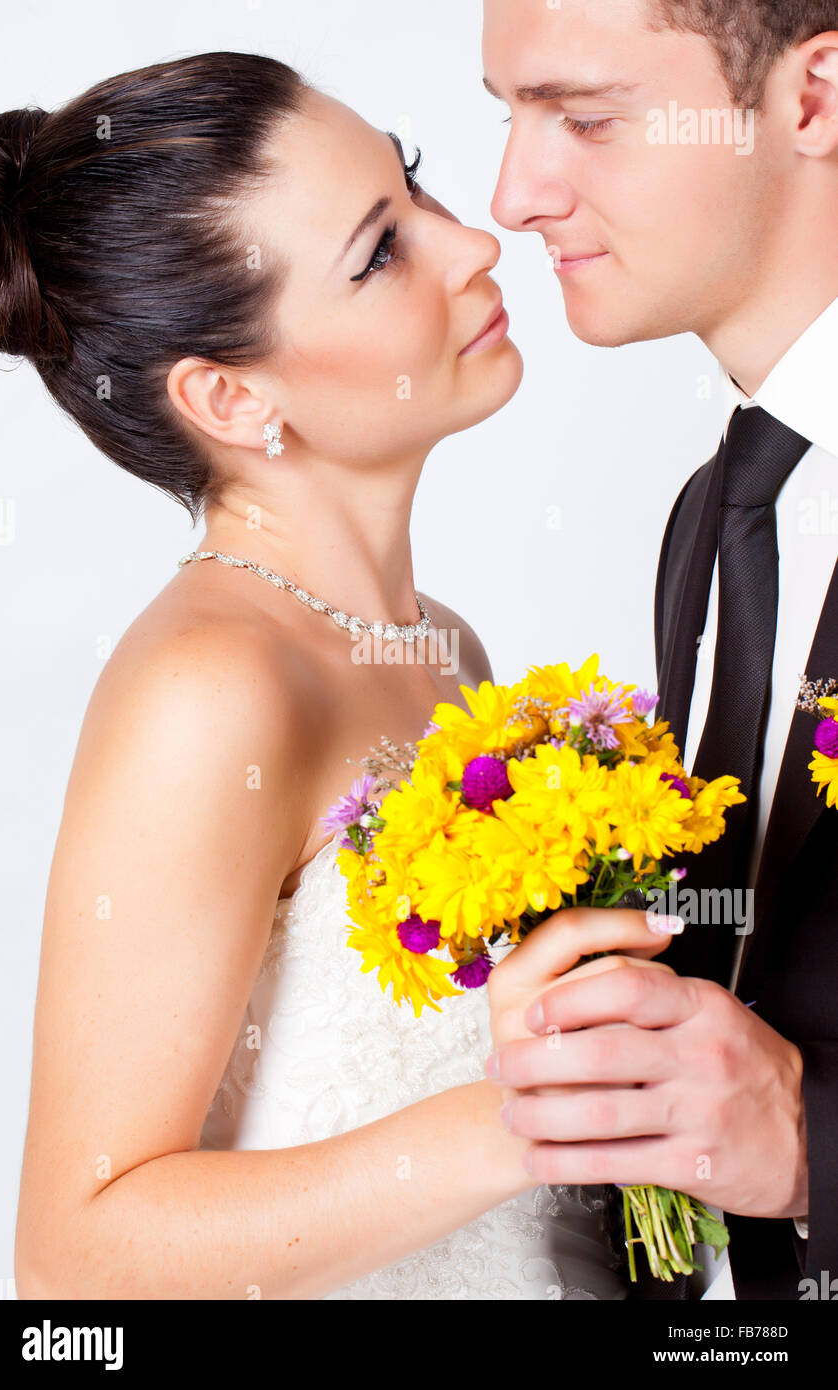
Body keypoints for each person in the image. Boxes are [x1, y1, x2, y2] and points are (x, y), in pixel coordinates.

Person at [0, 51, 662, 1300]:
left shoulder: (444, 647)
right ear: (232, 398)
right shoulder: (208, 690)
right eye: (378, 251)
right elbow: (73, 1260)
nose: (472, 247)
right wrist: (514, 1121)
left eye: (411, 188)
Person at [482, 0, 838, 1300]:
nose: (512, 193)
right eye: (505, 116)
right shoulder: (714, 512)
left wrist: (809, 1149)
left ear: (810, 102)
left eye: (583, 118)